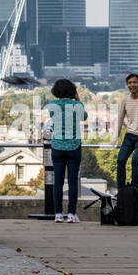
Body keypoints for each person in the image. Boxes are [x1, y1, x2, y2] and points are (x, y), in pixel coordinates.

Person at [45, 78, 87, 223]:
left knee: (58, 182)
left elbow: (52, 117)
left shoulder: (52, 105)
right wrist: (77, 100)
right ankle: (71, 214)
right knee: (73, 181)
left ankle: (58, 214)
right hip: (74, 146)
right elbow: (84, 117)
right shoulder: (77, 105)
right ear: (72, 90)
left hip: (57, 146)